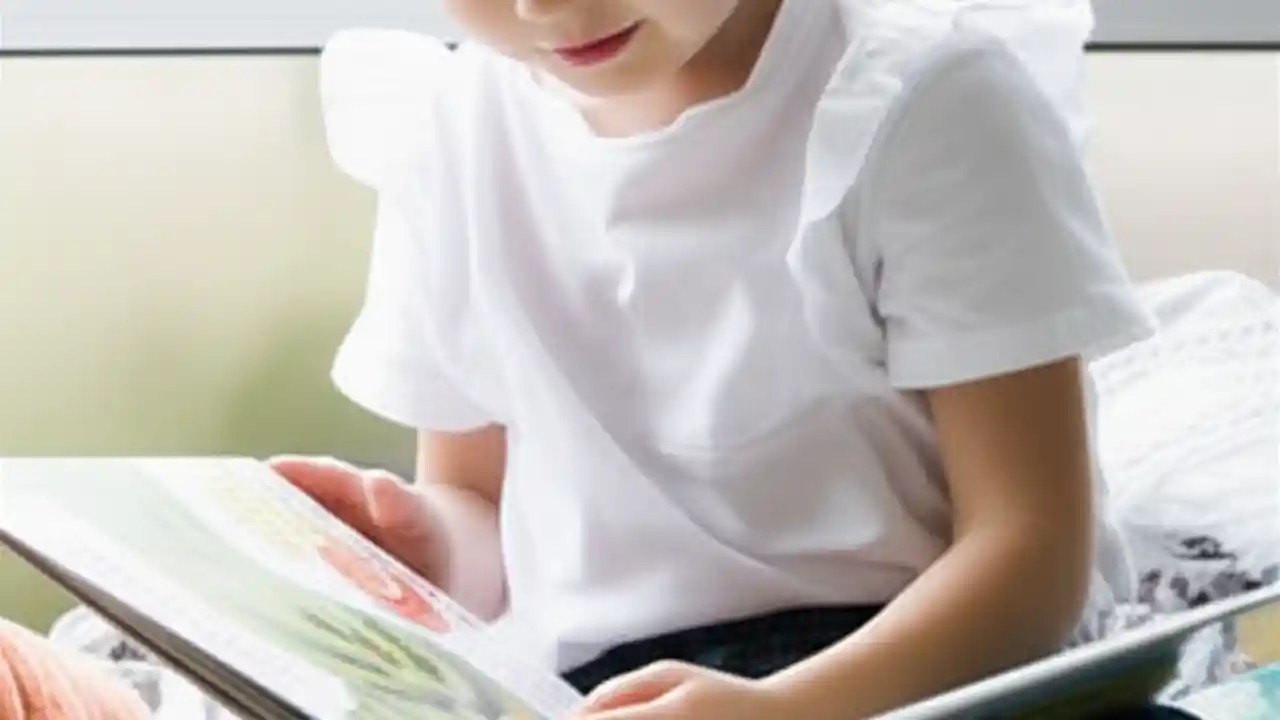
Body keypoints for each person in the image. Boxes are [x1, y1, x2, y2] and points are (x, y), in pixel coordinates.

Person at [0, 0, 1197, 718]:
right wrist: (414, 544)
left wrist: (791, 711)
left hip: (907, 670)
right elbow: (478, 508)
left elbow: (1029, 556)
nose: (551, 4)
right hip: (603, 684)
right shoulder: (464, 124)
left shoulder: (916, 105)